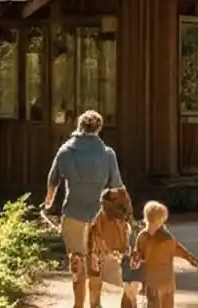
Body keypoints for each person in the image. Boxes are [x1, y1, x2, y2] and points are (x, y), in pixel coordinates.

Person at [44, 110, 125, 308]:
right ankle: (95, 304)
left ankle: (78, 305)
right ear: (99, 129)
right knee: (95, 260)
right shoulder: (107, 154)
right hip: (99, 216)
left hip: (73, 213)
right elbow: (116, 187)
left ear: (79, 127)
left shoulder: (65, 151)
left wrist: (48, 202)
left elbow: (52, 180)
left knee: (77, 261)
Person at [130, 200, 198, 308]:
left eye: (159, 220)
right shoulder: (143, 237)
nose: (157, 223)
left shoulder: (167, 238)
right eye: (154, 219)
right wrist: (135, 260)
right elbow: (137, 255)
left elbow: (184, 252)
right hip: (153, 282)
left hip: (166, 282)